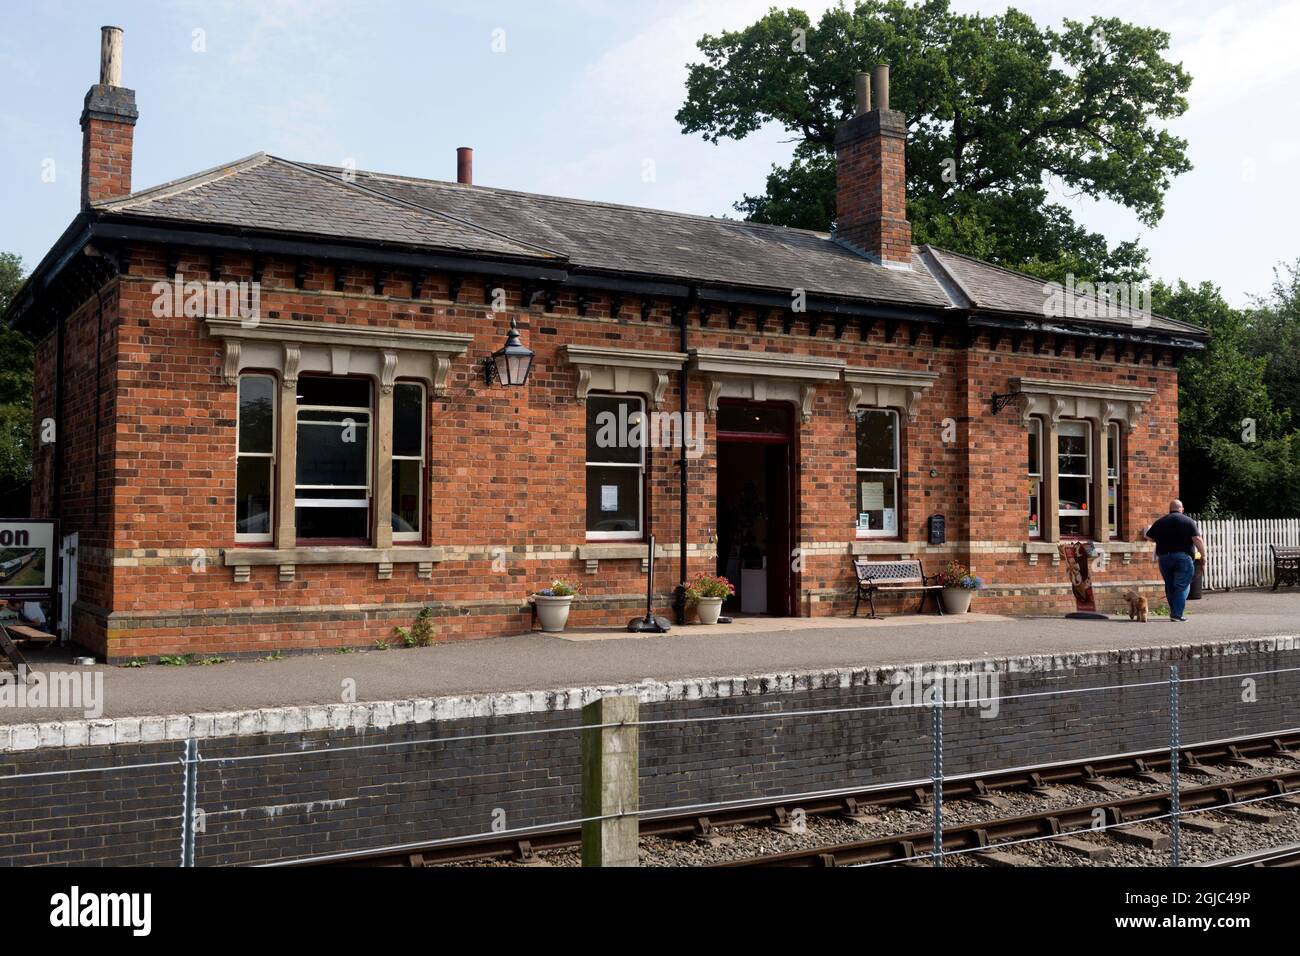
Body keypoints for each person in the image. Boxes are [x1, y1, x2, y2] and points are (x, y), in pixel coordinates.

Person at [1144, 500, 1207, 622]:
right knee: (1182, 586)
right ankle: (1177, 614)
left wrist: (1160, 540)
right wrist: (1203, 556)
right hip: (1183, 558)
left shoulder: (1161, 522)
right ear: (1181, 509)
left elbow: (1148, 536)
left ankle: (1174, 611)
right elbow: (1197, 539)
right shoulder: (1188, 521)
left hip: (1164, 558)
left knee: (1170, 585)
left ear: (1170, 509)